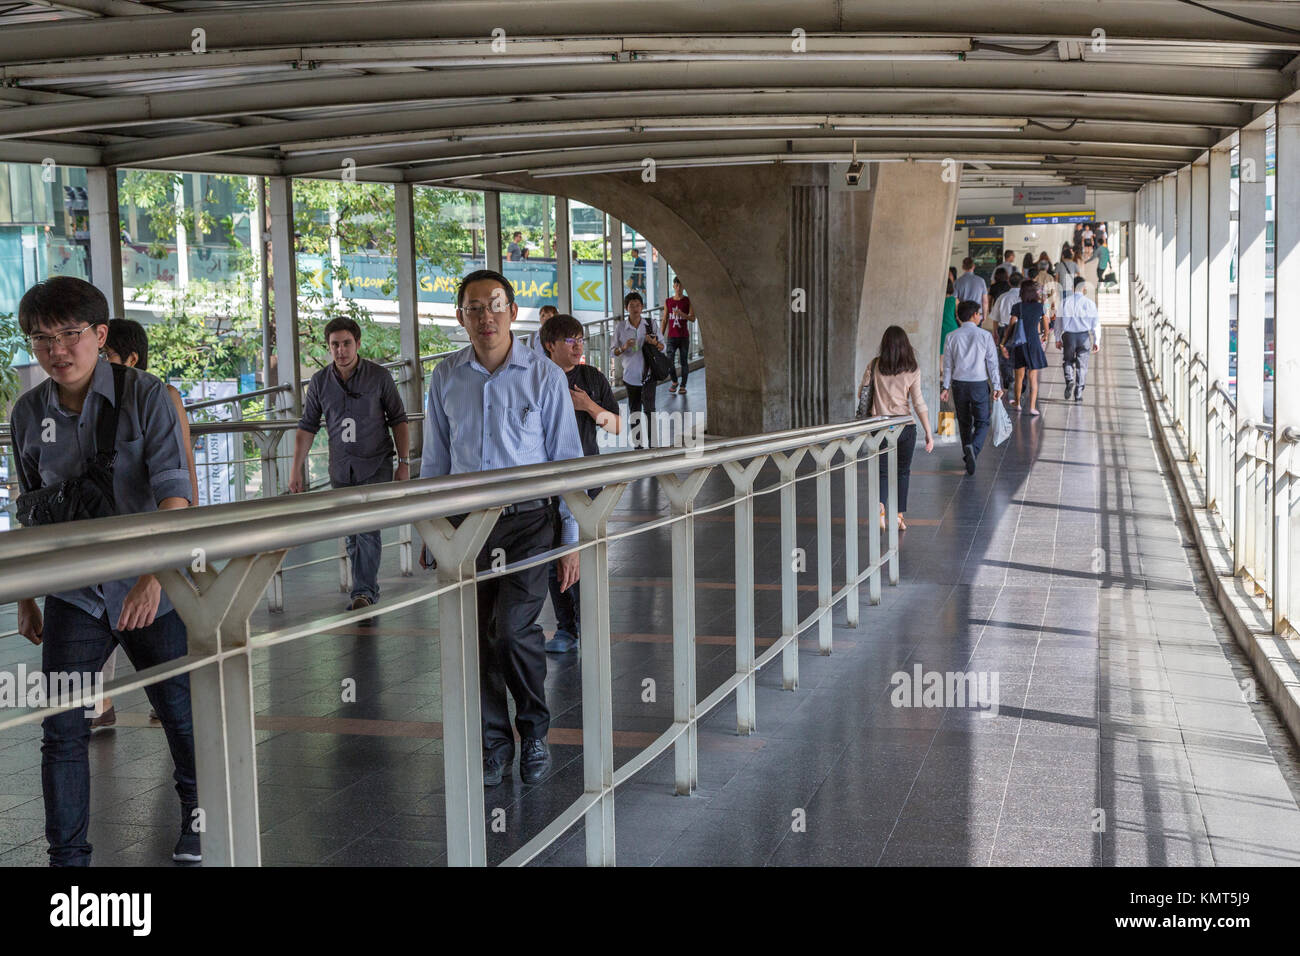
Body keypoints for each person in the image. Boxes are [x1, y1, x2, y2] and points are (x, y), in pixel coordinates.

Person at [10, 276, 200, 865]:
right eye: (41, 338)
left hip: (154, 592)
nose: (56, 351)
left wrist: (152, 574)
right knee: (62, 729)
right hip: (76, 595)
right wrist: (25, 591)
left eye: (70, 335)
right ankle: (68, 861)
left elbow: (176, 493)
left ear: (99, 335)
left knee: (182, 716)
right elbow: (32, 504)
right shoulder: (27, 413)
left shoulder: (146, 396)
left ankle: (199, 823)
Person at [419, 269, 585, 787]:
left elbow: (569, 464)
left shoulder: (545, 376)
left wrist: (570, 541)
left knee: (511, 631)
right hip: (468, 526)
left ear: (513, 312)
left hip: (530, 522)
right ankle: (495, 743)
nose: (484, 316)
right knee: (478, 638)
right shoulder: (445, 377)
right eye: (473, 307)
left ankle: (534, 729)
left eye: (494, 305)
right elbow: (434, 463)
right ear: (460, 317)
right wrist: (431, 533)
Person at [92, 318, 200, 729]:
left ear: (130, 358)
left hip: (158, 532)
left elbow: (182, 467)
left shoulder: (158, 395)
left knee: (161, 616)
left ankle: (171, 698)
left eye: (106, 355)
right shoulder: (90, 400)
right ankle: (100, 706)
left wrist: (186, 526)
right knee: (103, 615)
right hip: (109, 541)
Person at [289, 316, 411, 621]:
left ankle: (363, 591)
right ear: (328, 347)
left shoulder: (379, 377)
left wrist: (404, 462)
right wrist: (296, 469)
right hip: (341, 469)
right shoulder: (319, 382)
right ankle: (364, 587)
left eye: (346, 343)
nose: (340, 350)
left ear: (357, 343)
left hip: (375, 464)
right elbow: (307, 427)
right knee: (351, 533)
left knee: (368, 528)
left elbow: (398, 418)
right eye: (334, 345)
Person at [539, 313, 621, 654]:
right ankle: (566, 628)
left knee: (584, 553)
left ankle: (590, 624)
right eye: (569, 341)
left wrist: (588, 405)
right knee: (552, 555)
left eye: (580, 340)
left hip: (586, 480)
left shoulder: (591, 377)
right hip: (545, 481)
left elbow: (616, 425)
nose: (577, 347)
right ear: (550, 346)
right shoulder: (537, 376)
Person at [860, 325, 934, 531]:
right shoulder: (912, 369)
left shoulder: (874, 365)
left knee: (882, 471)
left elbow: (862, 394)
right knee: (903, 471)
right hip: (905, 428)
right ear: (905, 346)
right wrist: (928, 432)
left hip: (880, 427)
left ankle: (880, 510)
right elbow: (919, 403)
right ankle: (898, 517)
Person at [941, 299, 1003, 476]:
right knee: (983, 421)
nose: (981, 317)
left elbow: (947, 365)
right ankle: (973, 450)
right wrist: (997, 385)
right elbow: (992, 363)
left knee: (964, 422)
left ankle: (968, 453)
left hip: (958, 384)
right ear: (975, 315)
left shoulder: (951, 336)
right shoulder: (984, 336)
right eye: (979, 314)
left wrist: (945, 387)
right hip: (979, 384)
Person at [613, 291, 665, 448]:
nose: (635, 308)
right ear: (626, 308)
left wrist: (654, 343)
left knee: (650, 410)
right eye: (631, 306)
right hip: (630, 376)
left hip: (649, 375)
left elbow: (662, 347)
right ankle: (638, 445)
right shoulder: (621, 327)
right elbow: (612, 351)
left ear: (642, 307)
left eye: (638, 305)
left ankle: (653, 444)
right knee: (635, 411)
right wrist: (624, 347)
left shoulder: (650, 324)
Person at [1002, 279, 1050, 416]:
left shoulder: (1018, 307)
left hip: (1020, 344)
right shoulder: (1040, 307)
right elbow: (1046, 326)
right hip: (1034, 343)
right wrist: (1045, 336)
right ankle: (1032, 407)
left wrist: (1004, 342)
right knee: (1033, 377)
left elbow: (1011, 326)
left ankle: (1017, 404)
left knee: (1019, 376)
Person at [1057, 275, 1102, 402]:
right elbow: (1095, 324)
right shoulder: (1090, 303)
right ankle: (1078, 392)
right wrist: (1097, 340)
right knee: (1082, 365)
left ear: (1072, 288)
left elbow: (1058, 323)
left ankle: (1069, 379)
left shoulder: (1065, 302)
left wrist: (1057, 338)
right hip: (1083, 336)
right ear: (1084, 288)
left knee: (1068, 360)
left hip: (1068, 336)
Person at [660, 276, 695, 394]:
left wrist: (681, 314)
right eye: (677, 285)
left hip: (684, 336)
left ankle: (683, 385)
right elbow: (664, 320)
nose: (679, 288)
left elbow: (693, 318)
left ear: (684, 287)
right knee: (669, 361)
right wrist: (660, 336)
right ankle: (674, 381)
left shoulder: (688, 300)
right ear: (673, 286)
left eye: (681, 285)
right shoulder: (668, 301)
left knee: (684, 361)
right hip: (672, 336)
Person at [990, 274, 1022, 390]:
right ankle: (1021, 379)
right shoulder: (1024, 296)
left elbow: (995, 317)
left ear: (1009, 282)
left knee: (1004, 356)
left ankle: (1008, 378)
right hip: (1020, 328)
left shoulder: (1002, 297)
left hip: (1004, 328)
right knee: (1019, 353)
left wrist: (995, 332)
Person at [939, 278, 959, 357]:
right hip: (953, 328)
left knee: (941, 354)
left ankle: (941, 369)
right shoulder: (955, 300)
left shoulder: (936, 301)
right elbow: (958, 317)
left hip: (940, 330)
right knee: (954, 354)